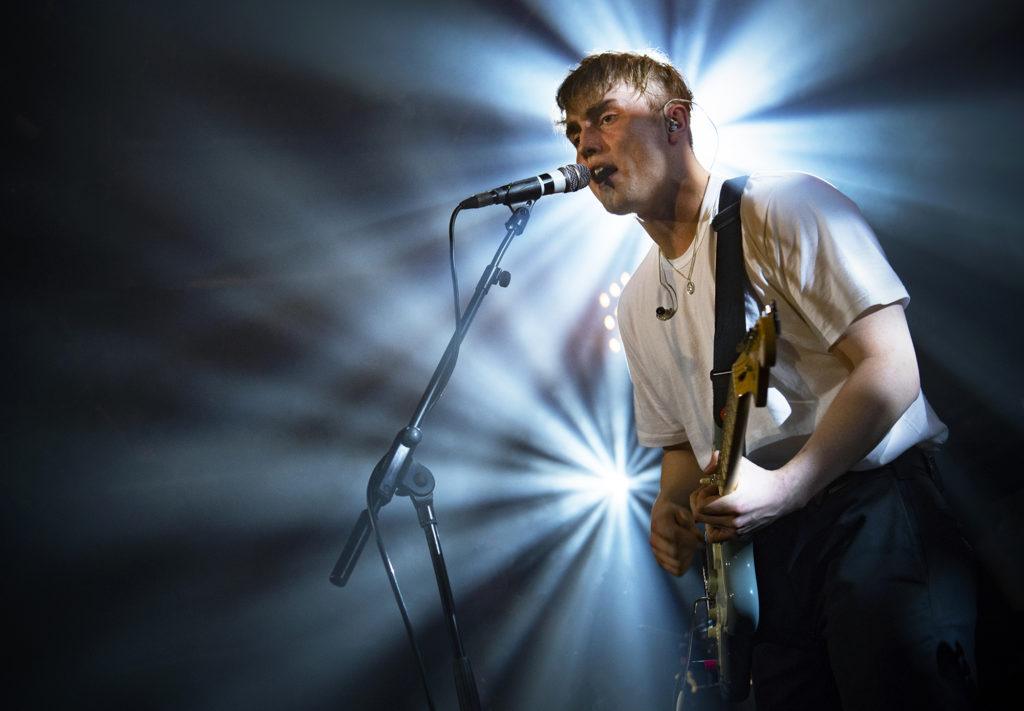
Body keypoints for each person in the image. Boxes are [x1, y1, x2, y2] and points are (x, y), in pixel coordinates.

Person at [556, 51, 978, 709]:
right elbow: (680, 445)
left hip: (865, 513)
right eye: (573, 130)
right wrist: (670, 510)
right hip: (764, 559)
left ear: (676, 122)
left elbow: (892, 368)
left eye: (604, 118)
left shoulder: (783, 205)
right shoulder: (637, 301)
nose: (585, 144)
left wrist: (787, 484)